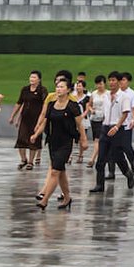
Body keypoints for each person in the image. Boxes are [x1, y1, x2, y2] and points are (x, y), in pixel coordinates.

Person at [31, 73, 86, 211]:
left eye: (62, 87)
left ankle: (44, 200)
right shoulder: (51, 104)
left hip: (66, 143)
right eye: (57, 87)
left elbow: (80, 125)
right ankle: (67, 197)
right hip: (53, 142)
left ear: (68, 90)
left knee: (55, 171)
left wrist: (83, 140)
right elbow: (45, 122)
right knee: (60, 172)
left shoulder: (73, 106)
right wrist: (36, 134)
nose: (58, 89)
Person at [8, 70, 47, 170]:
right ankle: (23, 159)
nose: (32, 79)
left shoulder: (42, 90)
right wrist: (13, 116)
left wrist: (42, 119)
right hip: (25, 118)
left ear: (39, 79)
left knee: (33, 140)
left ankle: (30, 161)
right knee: (21, 139)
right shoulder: (25, 89)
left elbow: (45, 105)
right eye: (31, 77)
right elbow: (19, 103)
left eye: (34, 77)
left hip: (36, 119)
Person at [85, 73, 110, 174]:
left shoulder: (108, 94)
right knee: (96, 139)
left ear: (104, 84)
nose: (99, 86)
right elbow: (89, 104)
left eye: (101, 84)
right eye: (97, 84)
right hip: (95, 118)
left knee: (98, 139)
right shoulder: (94, 94)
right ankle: (99, 157)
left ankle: (92, 159)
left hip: (104, 119)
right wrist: (91, 110)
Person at [70, 74, 90, 166]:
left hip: (83, 120)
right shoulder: (72, 97)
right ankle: (70, 155)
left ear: (83, 87)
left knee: (82, 137)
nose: (78, 88)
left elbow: (87, 109)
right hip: (73, 119)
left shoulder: (86, 97)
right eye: (77, 86)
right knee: (71, 137)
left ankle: (81, 155)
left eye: (80, 86)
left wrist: (82, 116)